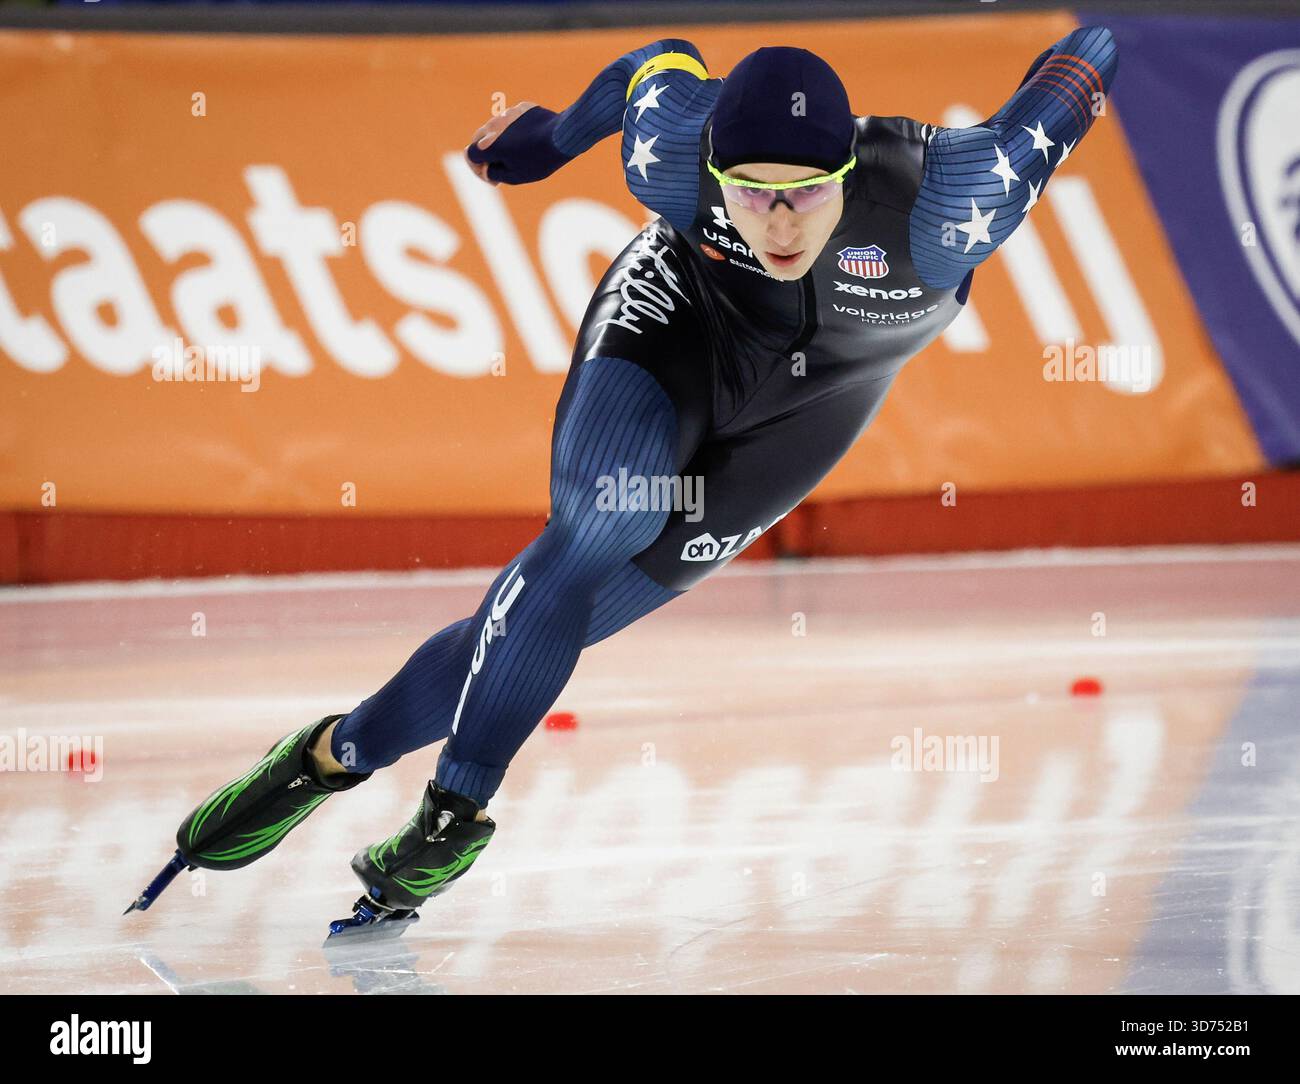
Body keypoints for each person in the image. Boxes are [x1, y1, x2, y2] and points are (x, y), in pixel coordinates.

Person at [161, 27, 1119, 928]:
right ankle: (452, 817)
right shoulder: (668, 152)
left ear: (847, 175)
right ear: (710, 170)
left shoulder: (952, 201)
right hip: (677, 327)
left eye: (807, 194)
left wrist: (1103, 40)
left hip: (815, 404)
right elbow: (651, 66)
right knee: (596, 528)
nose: (780, 222)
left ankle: (334, 754)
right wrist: (550, 137)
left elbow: (1081, 69)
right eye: (749, 192)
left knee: (568, 612)